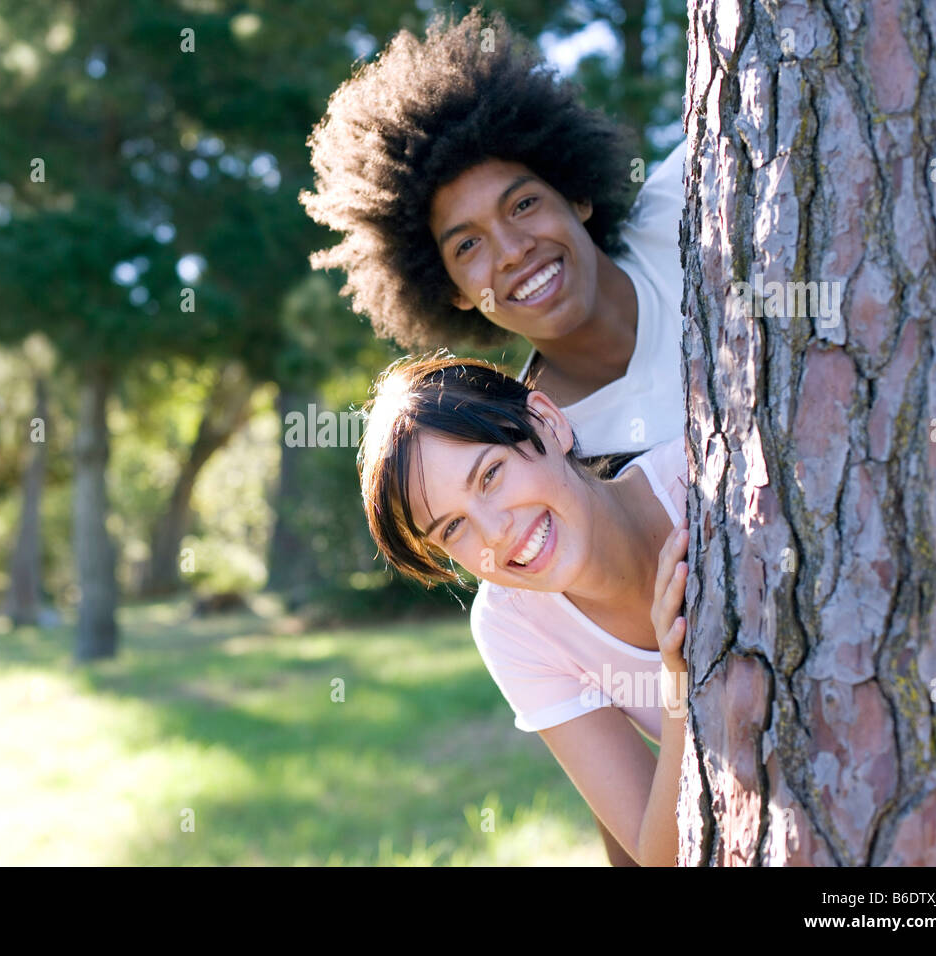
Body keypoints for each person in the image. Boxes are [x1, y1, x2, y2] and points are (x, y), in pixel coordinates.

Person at [302, 6, 686, 460]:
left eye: (523, 205)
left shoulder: (692, 205)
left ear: (578, 196)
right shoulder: (543, 452)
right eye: (467, 245)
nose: (512, 250)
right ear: (453, 292)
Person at [357, 354, 690, 866]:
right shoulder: (512, 623)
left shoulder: (707, 483)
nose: (495, 532)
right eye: (453, 528)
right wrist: (681, 688)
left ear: (549, 422)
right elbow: (663, 859)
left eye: (490, 475)